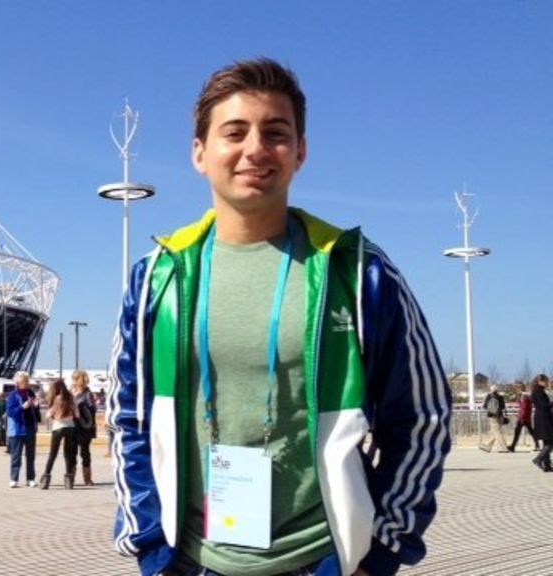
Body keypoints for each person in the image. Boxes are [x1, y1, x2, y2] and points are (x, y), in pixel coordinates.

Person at [109, 58, 451, 576]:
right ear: (200, 153)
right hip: (191, 561)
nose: (255, 149)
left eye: (275, 133)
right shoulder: (159, 276)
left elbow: (422, 417)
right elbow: (128, 418)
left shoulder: (358, 272)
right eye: (234, 132)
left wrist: (378, 552)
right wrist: (151, 544)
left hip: (321, 559)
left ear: (300, 152)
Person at [40, 378, 79, 490]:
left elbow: (49, 414)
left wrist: (51, 412)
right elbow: (77, 414)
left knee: (53, 454)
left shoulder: (57, 398)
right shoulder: (71, 397)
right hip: (70, 427)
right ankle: (68, 481)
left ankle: (46, 479)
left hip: (58, 427)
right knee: (68, 454)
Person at [6, 371, 40, 488]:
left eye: (26, 381)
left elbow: (36, 413)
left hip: (30, 427)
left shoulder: (31, 393)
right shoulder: (13, 395)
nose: (26, 383)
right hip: (17, 428)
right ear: (18, 382)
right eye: (23, 381)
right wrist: (22, 407)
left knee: (31, 455)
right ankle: (14, 479)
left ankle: (30, 478)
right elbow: (10, 412)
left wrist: (36, 406)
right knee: (16, 456)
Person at [71, 369, 98, 487]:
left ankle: (86, 479)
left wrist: (79, 407)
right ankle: (72, 478)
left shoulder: (87, 394)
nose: (73, 381)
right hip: (74, 426)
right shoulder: (71, 391)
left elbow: (92, 409)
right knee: (73, 452)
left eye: (74, 379)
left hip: (83, 427)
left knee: (83, 452)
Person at [530, 374, 552, 472]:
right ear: (540, 381)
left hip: (542, 418)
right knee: (550, 442)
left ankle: (547, 464)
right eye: (546, 381)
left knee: (547, 441)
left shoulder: (538, 391)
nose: (547, 383)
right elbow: (544, 406)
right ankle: (538, 459)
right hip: (544, 419)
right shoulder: (538, 392)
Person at [508, 382, 537, 453]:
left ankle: (512, 446)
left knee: (517, 432)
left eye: (517, 388)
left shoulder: (524, 396)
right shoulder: (524, 396)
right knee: (530, 432)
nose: (516, 390)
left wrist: (521, 416)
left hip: (523, 418)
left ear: (520, 388)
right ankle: (537, 445)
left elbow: (524, 408)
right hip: (525, 417)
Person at [480, 384, 509, 453]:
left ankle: (504, 448)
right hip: (500, 416)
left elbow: (484, 406)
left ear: (491, 390)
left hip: (492, 416)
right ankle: (488, 447)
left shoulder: (489, 396)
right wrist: (505, 415)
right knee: (494, 432)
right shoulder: (500, 397)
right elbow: (503, 407)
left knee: (497, 432)